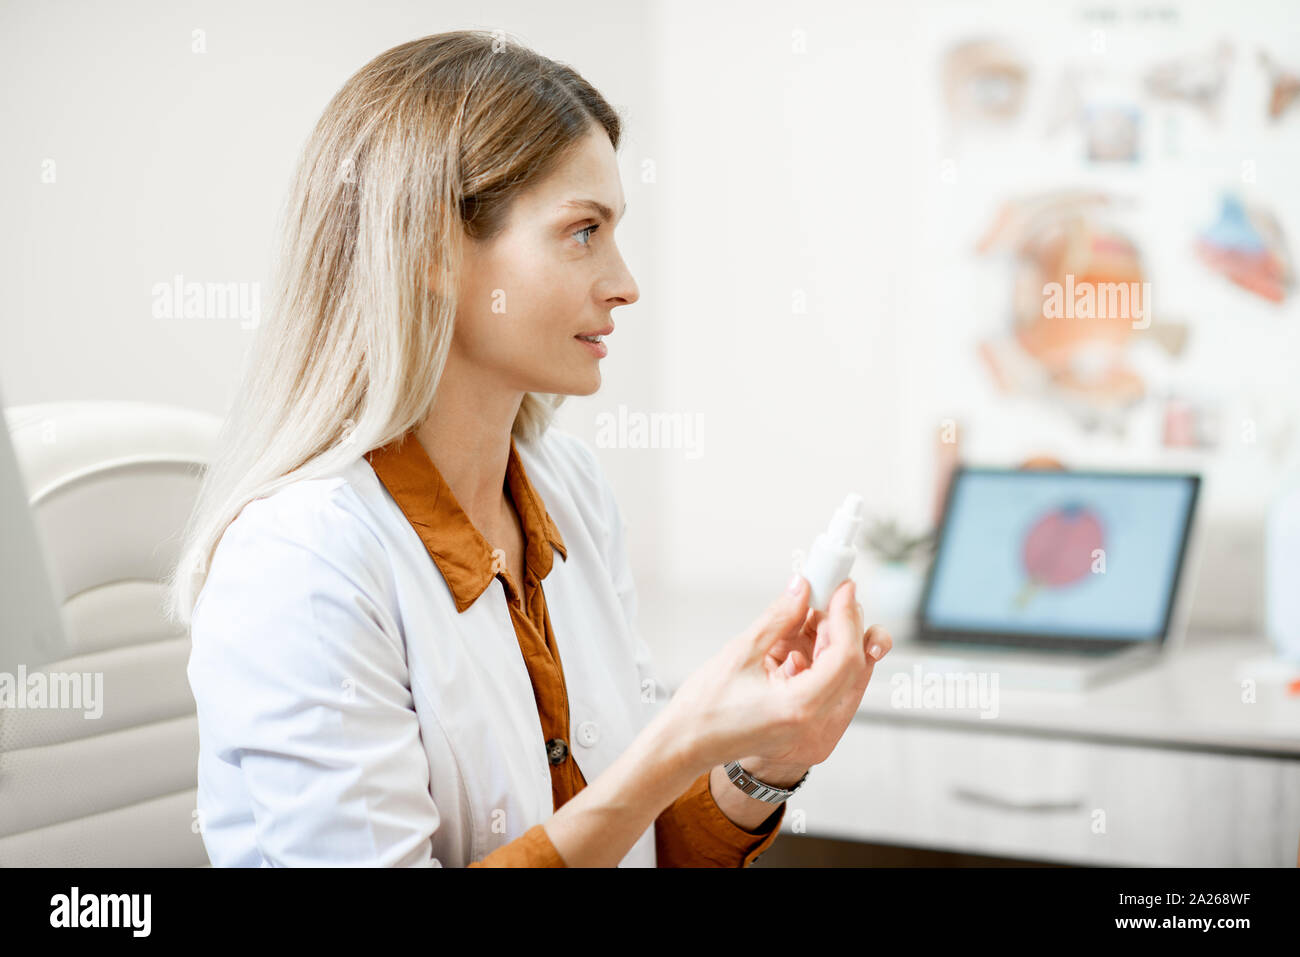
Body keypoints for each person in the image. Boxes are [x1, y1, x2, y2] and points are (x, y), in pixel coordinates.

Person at [167, 29, 892, 867]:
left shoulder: (568, 490)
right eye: (583, 231)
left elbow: (635, 849)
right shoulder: (302, 562)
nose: (625, 283)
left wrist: (767, 760)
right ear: (435, 250)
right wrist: (678, 743)